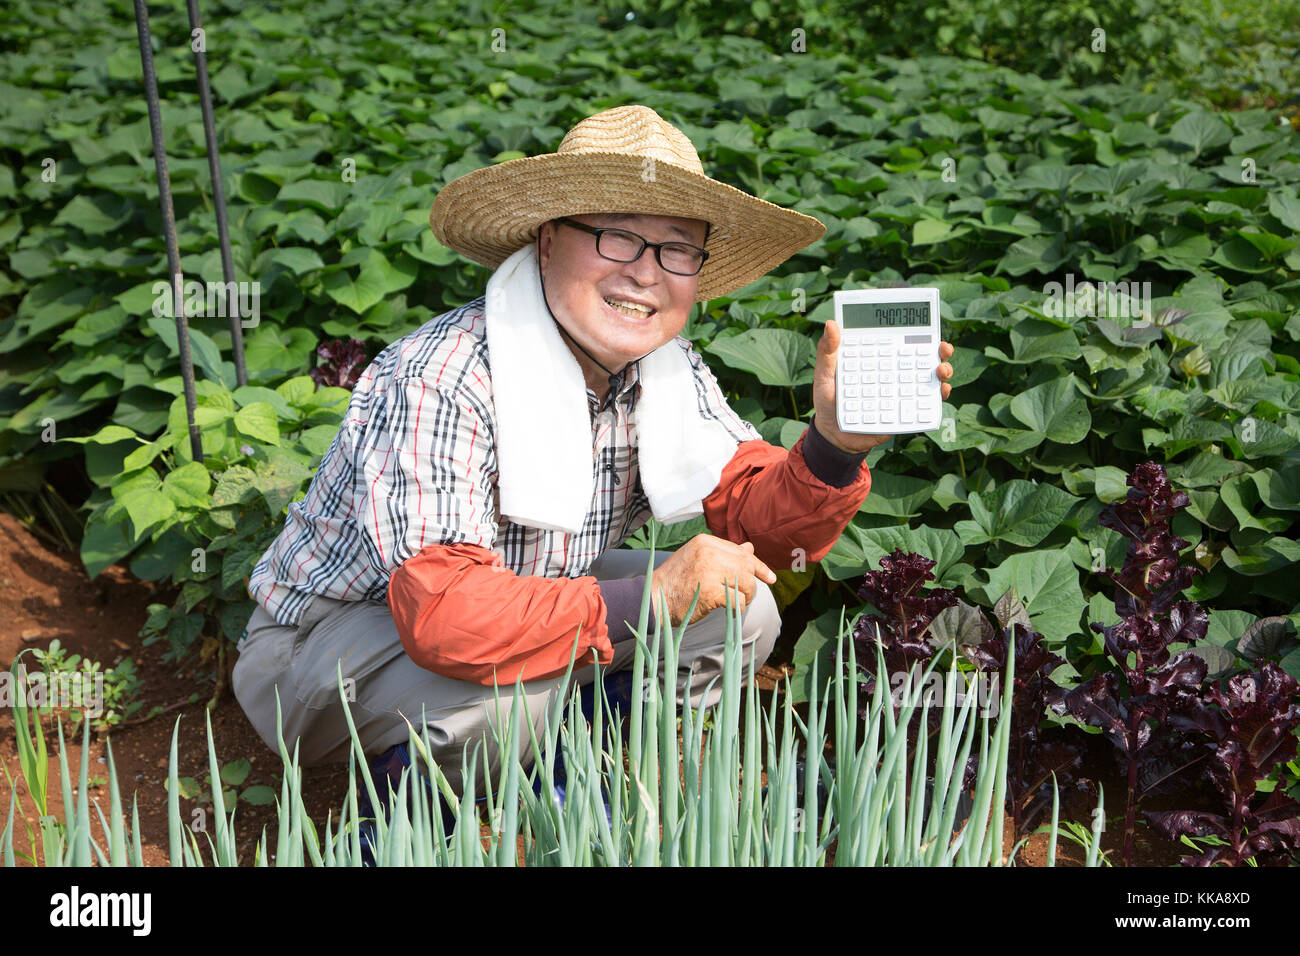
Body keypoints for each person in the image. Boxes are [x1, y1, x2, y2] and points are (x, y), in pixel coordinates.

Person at [232, 104, 955, 802]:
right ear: (547, 240)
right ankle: (413, 803)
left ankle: (588, 766)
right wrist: (653, 598)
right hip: (327, 647)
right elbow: (445, 613)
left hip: (528, 591)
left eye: (676, 248)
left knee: (743, 605)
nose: (645, 272)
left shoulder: (666, 372)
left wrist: (833, 446)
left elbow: (754, 519)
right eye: (615, 236)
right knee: (509, 699)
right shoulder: (444, 376)